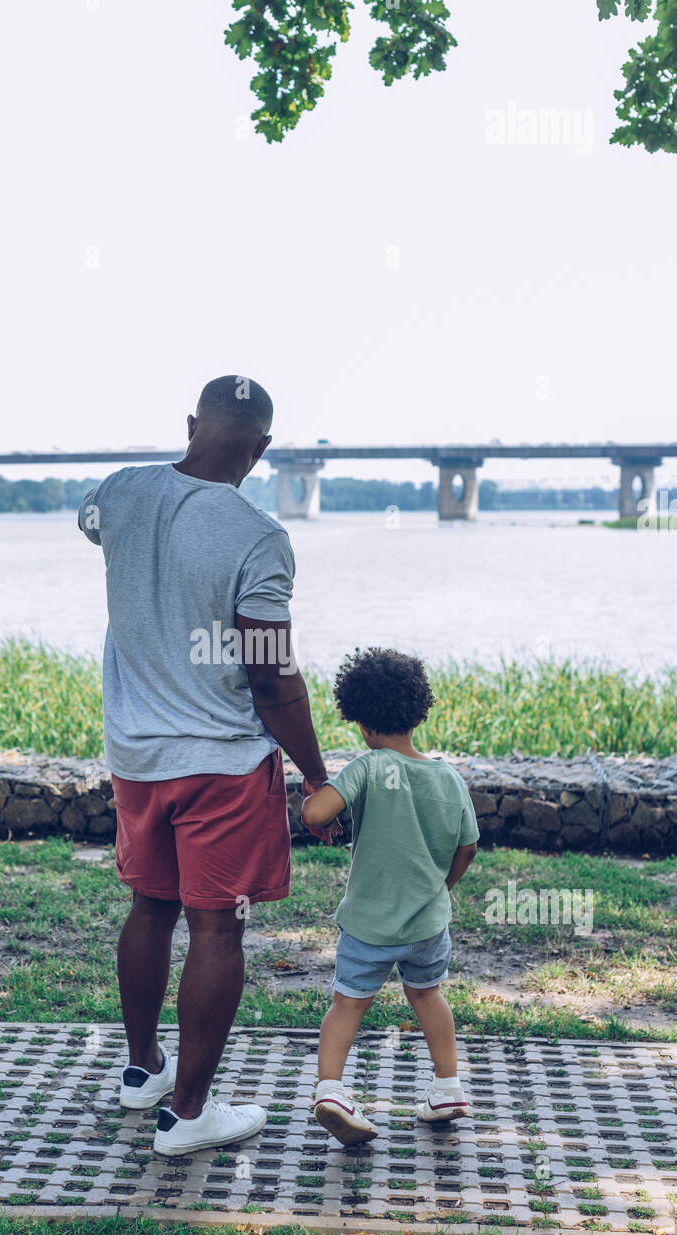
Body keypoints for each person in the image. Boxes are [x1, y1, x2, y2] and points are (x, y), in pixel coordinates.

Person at [78, 374, 340, 1156]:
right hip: (220, 763)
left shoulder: (118, 492)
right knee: (216, 924)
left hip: (136, 753)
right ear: (261, 450)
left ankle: (141, 1071)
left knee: (149, 906)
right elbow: (269, 674)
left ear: (191, 423)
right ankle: (189, 1115)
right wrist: (317, 775)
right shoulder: (257, 537)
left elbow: (94, 522)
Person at [301, 647, 479, 1145]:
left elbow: (316, 815)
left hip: (368, 926)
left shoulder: (368, 768)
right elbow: (468, 845)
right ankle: (447, 1087)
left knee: (348, 1004)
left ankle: (332, 1090)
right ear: (417, 710)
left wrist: (311, 801)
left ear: (360, 720)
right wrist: (442, 889)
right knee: (427, 995)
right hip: (427, 925)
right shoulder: (449, 778)